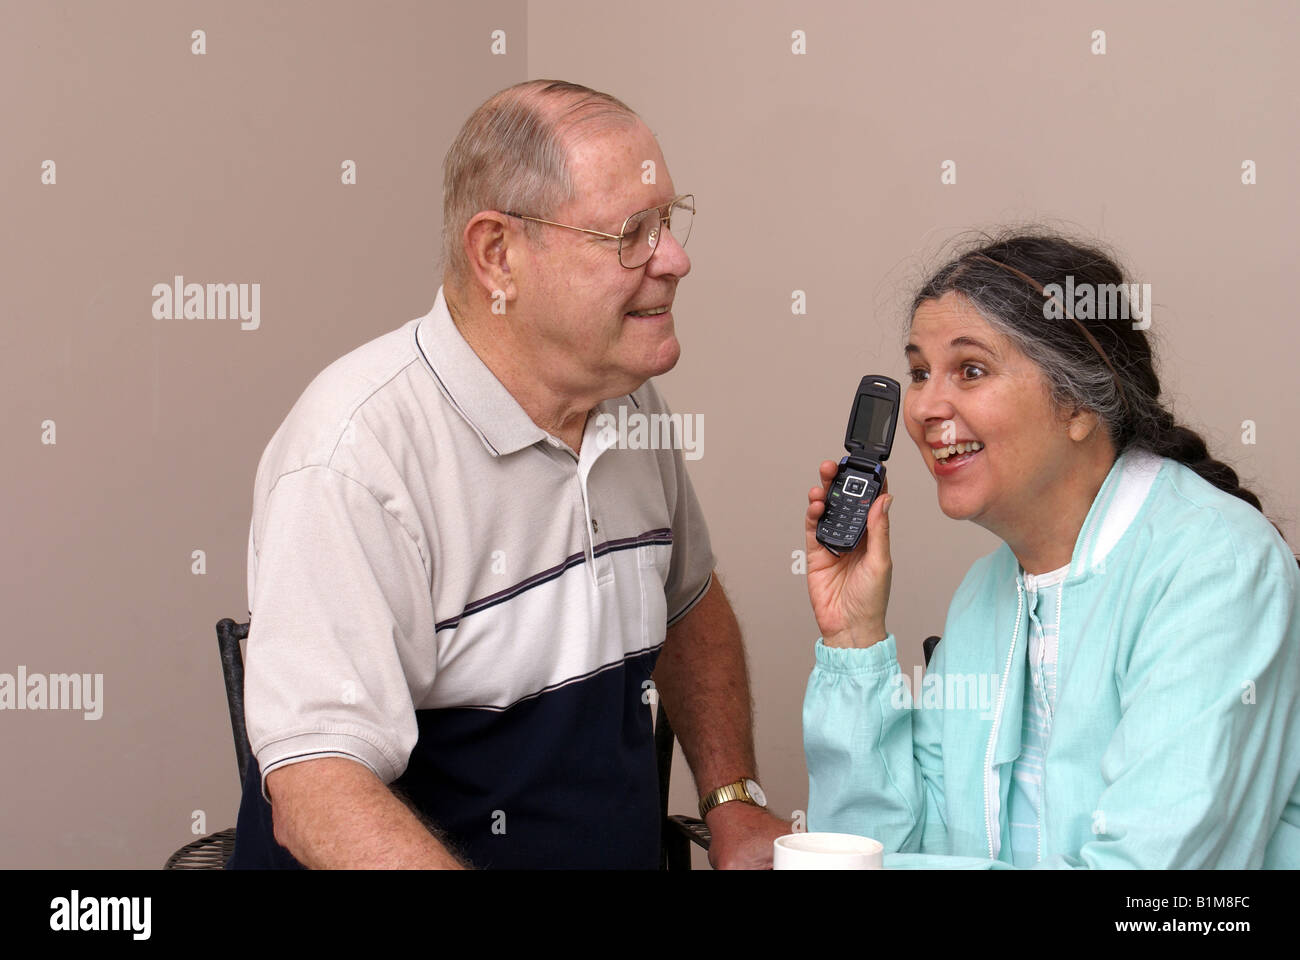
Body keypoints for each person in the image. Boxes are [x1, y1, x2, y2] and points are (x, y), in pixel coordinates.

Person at [227, 80, 789, 869]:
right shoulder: (353, 456)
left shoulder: (625, 400)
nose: (675, 259)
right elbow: (317, 789)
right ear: (498, 256)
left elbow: (687, 604)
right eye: (633, 233)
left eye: (668, 221)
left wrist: (733, 800)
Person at [801, 232, 1300, 868]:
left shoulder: (1218, 569)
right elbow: (867, 850)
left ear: (1078, 403)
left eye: (970, 370)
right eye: (920, 372)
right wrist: (853, 637)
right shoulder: (985, 595)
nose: (924, 406)